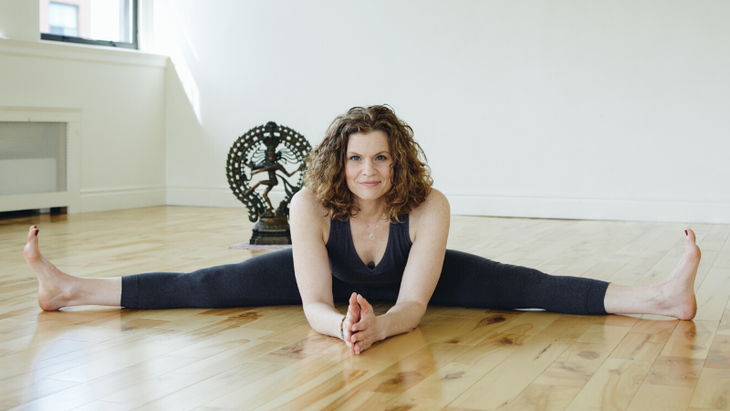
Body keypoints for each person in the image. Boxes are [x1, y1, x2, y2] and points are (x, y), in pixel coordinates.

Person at [23, 105, 701, 355]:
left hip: (406, 282)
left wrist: (380, 327)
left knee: (526, 284)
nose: (368, 169)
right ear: (336, 162)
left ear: (397, 159)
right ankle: (69, 287)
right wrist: (341, 328)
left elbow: (410, 305)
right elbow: (316, 303)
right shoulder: (309, 210)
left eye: (380, 156)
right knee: (206, 283)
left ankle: (661, 298)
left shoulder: (428, 205)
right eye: (355, 157)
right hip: (331, 275)